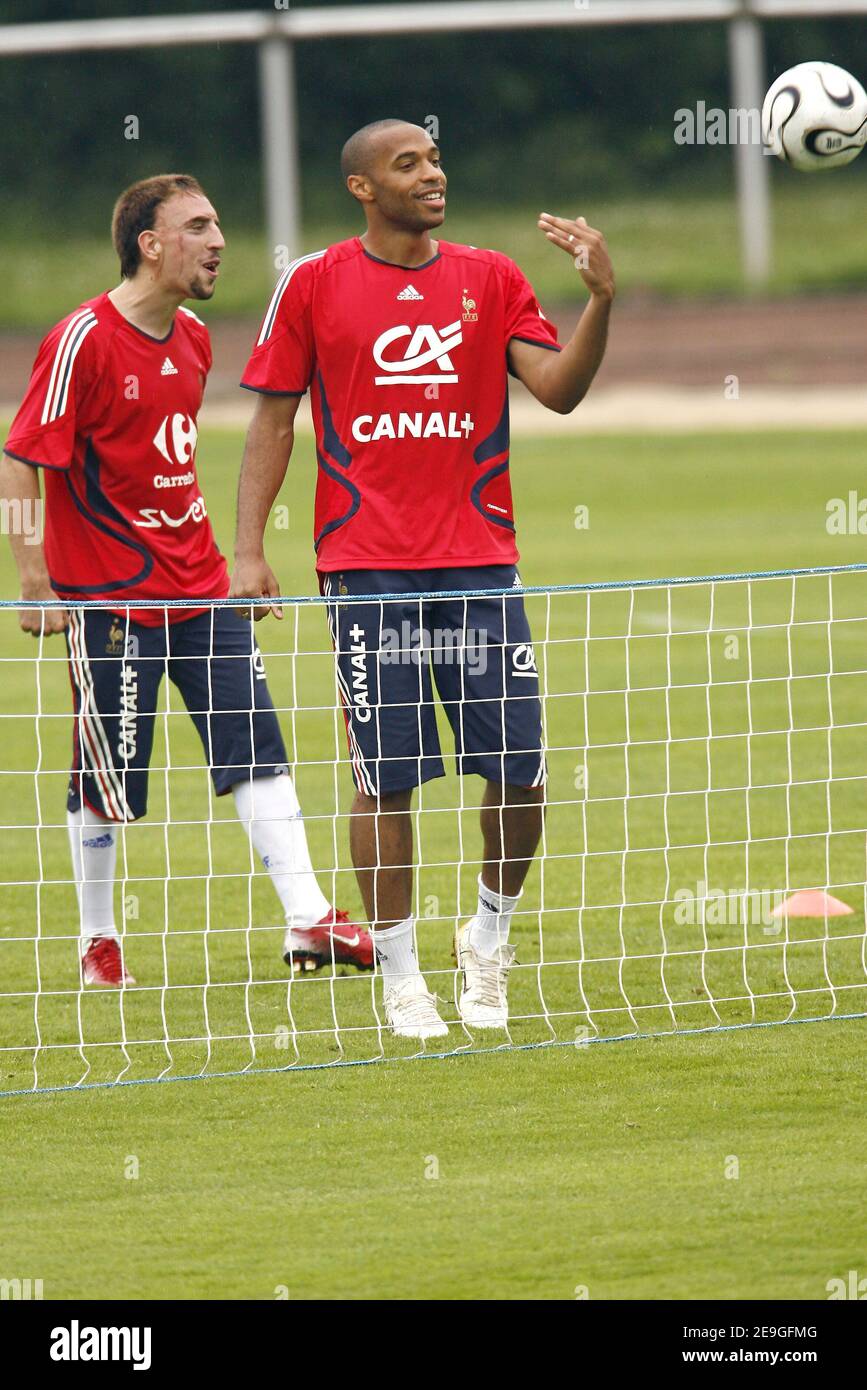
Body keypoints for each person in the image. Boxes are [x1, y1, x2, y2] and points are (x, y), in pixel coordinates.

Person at [231, 121, 614, 1039]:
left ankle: (487, 942)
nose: (432, 174)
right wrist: (247, 549)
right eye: (408, 165)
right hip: (366, 570)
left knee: (519, 772)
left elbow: (559, 390)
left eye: (435, 159)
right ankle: (401, 977)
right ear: (362, 188)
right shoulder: (313, 282)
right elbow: (273, 422)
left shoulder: (492, 278)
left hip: (480, 566)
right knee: (385, 778)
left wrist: (600, 300)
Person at [0, 173, 372, 987]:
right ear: (150, 244)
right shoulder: (81, 339)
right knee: (108, 777)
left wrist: (240, 559)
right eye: (198, 226)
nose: (218, 241)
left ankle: (309, 918)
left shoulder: (196, 338)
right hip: (110, 603)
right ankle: (99, 941)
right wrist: (34, 580)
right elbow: (20, 459)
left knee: (257, 749)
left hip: (200, 590)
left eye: (217, 224)